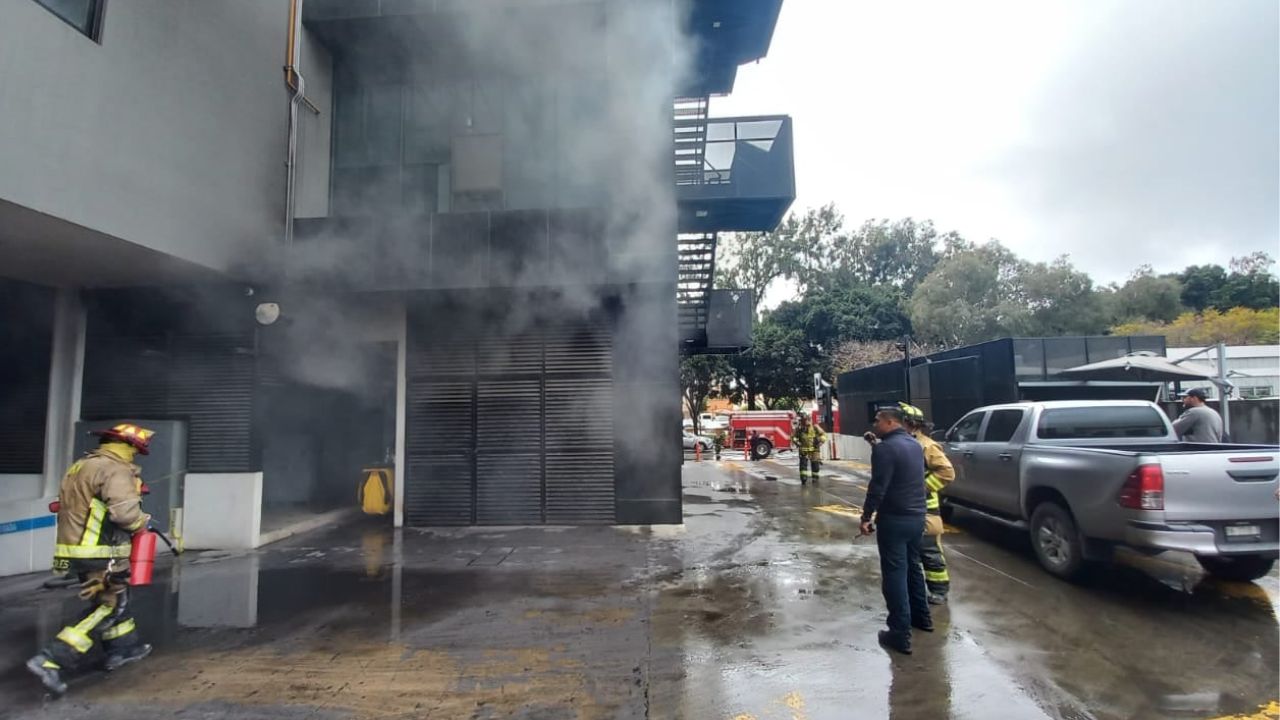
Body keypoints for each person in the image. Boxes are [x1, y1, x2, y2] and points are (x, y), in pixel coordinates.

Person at [27, 424, 156, 696]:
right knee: (109, 605)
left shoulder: (81, 466)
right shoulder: (115, 469)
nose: (134, 455)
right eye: (134, 450)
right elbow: (124, 515)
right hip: (102, 552)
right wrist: (142, 521)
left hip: (78, 549)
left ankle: (123, 648)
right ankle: (52, 659)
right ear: (126, 446)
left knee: (117, 598)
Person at [860, 406, 931, 655]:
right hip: (917, 517)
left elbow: (878, 486)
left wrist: (866, 517)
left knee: (894, 575)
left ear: (890, 422)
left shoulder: (886, 449)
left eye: (878, 421)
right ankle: (922, 618)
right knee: (913, 567)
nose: (875, 424)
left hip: (895, 520)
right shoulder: (915, 445)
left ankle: (899, 634)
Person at [899, 403, 955, 605]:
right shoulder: (905, 443)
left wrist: (922, 488)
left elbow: (947, 472)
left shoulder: (926, 446)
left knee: (929, 552)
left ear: (910, 424)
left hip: (926, 512)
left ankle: (939, 590)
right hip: (906, 510)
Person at [794, 414, 827, 485]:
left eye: (806, 420)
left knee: (815, 465)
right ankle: (803, 478)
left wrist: (820, 441)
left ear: (809, 420)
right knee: (803, 465)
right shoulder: (799, 429)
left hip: (814, 450)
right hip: (803, 450)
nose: (804, 422)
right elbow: (794, 437)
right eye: (803, 421)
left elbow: (824, 435)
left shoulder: (815, 427)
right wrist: (797, 443)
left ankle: (815, 478)